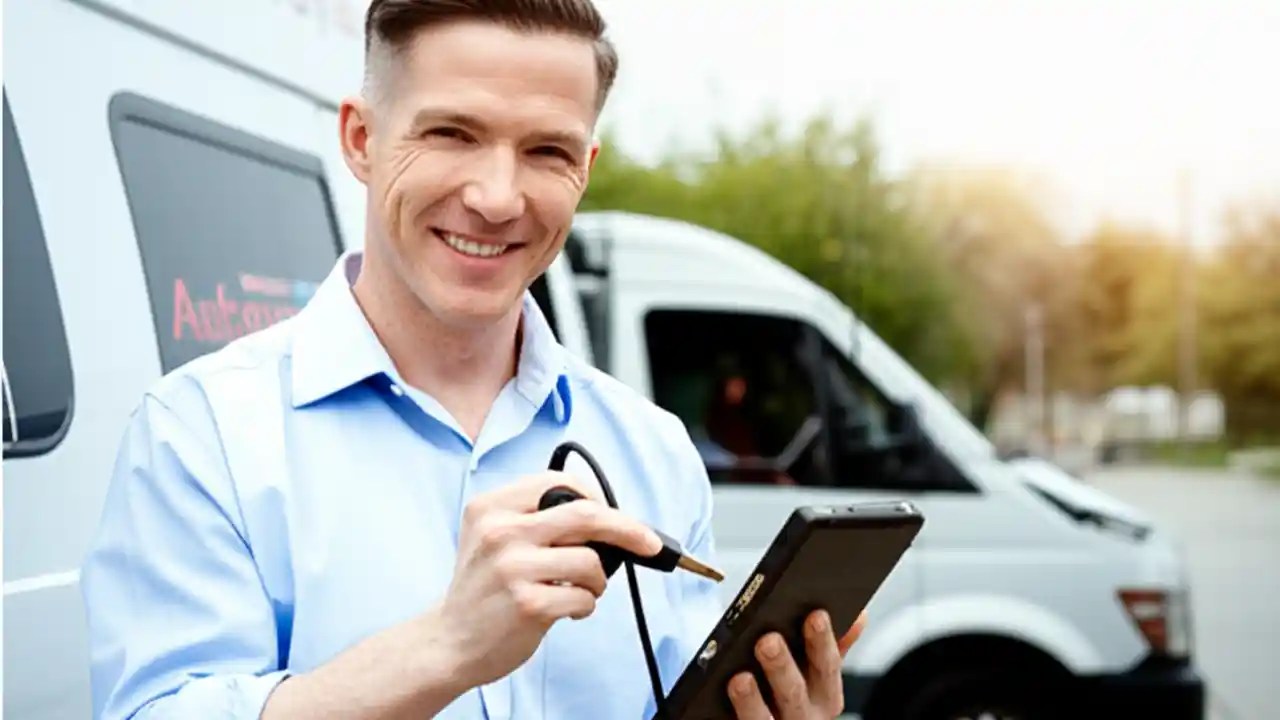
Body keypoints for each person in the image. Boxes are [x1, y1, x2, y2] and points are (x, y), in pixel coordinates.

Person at [79, 1, 867, 718]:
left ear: (584, 170)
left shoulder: (654, 449)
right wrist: (447, 649)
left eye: (546, 151)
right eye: (452, 133)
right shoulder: (198, 436)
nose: (497, 197)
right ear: (361, 139)